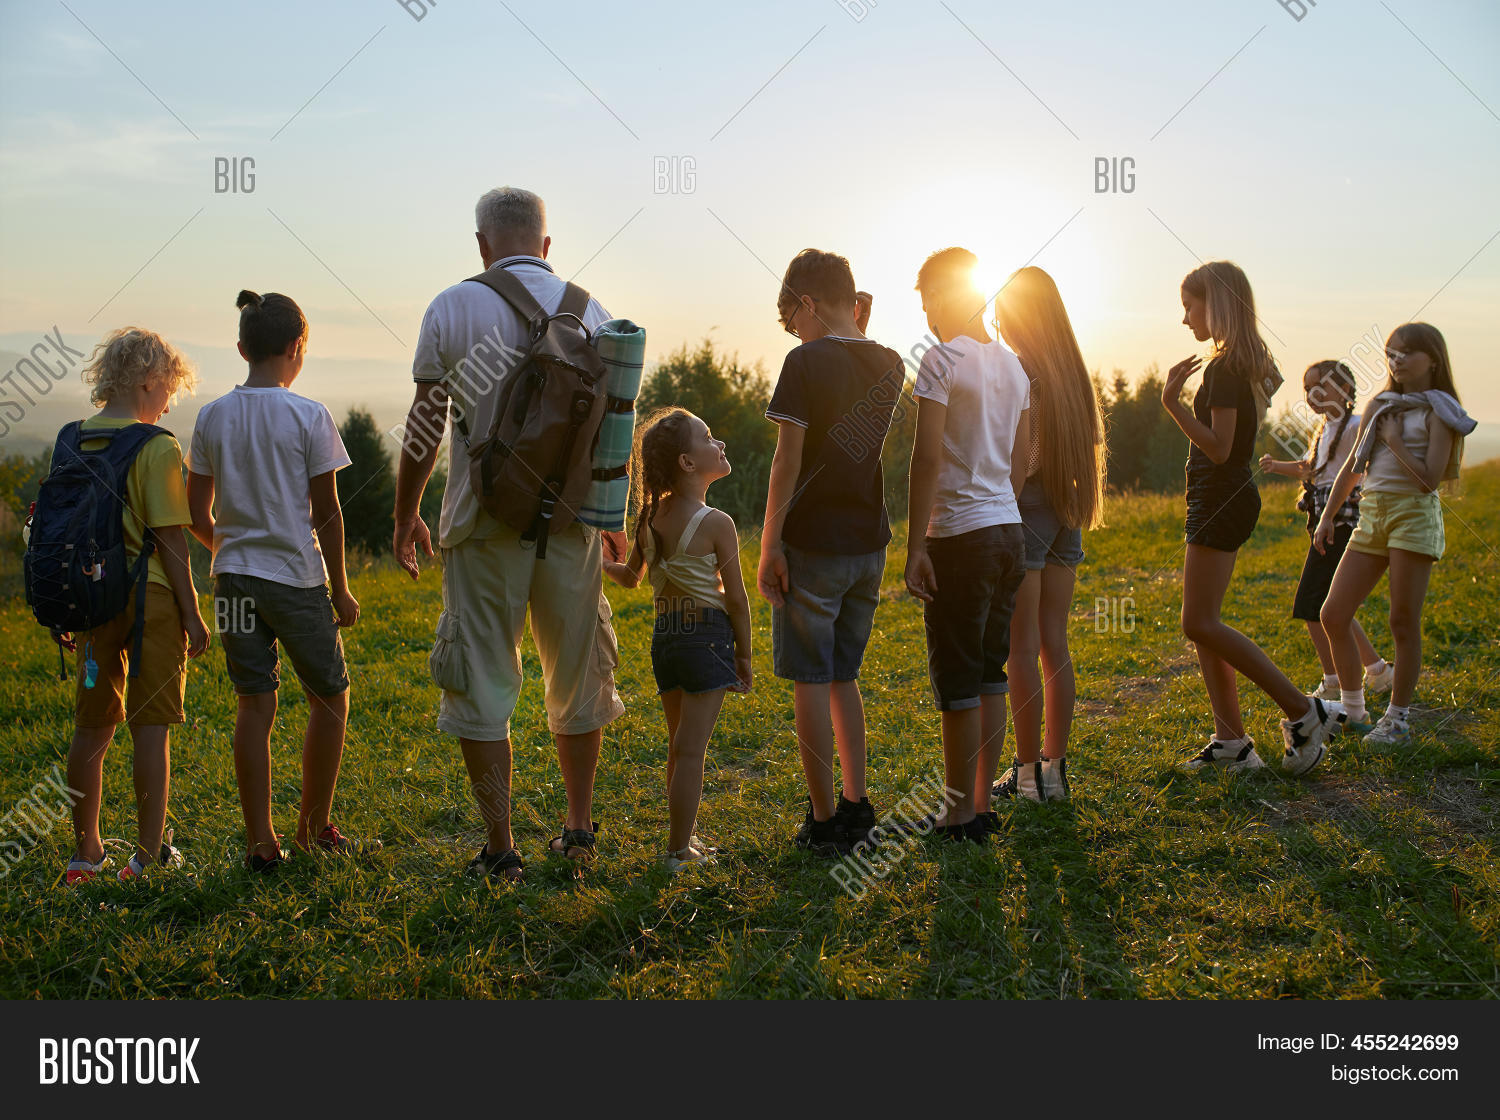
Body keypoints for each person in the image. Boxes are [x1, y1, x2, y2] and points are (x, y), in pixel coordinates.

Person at [393, 186, 625, 884]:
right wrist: (610, 518)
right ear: (547, 245)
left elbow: (425, 423)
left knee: (484, 682)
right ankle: (578, 830)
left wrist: (405, 514)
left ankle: (500, 848)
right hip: (571, 523)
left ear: (483, 245)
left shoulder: (452, 306)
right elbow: (612, 431)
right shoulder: (594, 312)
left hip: (481, 519)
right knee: (578, 675)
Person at [187, 290, 373, 872]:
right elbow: (329, 514)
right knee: (331, 697)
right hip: (295, 580)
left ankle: (260, 844)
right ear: (297, 348)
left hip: (231, 583)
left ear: (243, 349)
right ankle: (313, 828)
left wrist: (232, 551)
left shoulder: (211, 416)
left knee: (253, 704)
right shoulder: (309, 415)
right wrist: (340, 588)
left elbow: (196, 514)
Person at [1162, 261, 1342, 777]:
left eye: (1189, 306)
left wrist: (1172, 404)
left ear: (1215, 304)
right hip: (1224, 498)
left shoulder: (1223, 369)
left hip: (1219, 497)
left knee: (1198, 622)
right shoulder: (1245, 362)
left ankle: (1304, 712)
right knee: (1205, 624)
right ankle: (1231, 743)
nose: (1185, 318)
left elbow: (1220, 449)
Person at [757, 249, 904, 856]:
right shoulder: (890, 361)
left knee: (811, 682)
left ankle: (821, 823)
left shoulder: (804, 361)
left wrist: (770, 542)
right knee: (845, 676)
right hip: (868, 542)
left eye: (794, 319)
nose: (795, 332)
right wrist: (852, 319)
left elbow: (787, 460)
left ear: (808, 303)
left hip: (813, 542)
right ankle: (856, 806)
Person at [62, 328, 208, 883]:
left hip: (90, 600)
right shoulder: (157, 446)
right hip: (153, 600)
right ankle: (147, 858)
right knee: (151, 728)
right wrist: (193, 612)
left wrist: (64, 606)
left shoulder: (72, 439)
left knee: (91, 729)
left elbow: (58, 533)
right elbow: (170, 538)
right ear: (148, 380)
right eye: (168, 388)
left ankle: (85, 853)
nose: (168, 403)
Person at [901, 247, 1029, 839]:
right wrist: (1000, 504)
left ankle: (956, 815)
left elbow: (925, 457)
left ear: (943, 294)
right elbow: (1021, 460)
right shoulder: (1014, 366)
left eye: (928, 301)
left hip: (959, 536)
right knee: (989, 673)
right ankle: (979, 805)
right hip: (1008, 531)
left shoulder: (940, 360)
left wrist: (915, 547)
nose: (927, 315)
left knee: (957, 679)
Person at [603, 408, 753, 871]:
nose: (719, 443)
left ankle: (682, 837)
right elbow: (737, 600)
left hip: (666, 640)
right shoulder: (717, 522)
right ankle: (677, 852)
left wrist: (597, 562)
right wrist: (745, 656)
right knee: (691, 750)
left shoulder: (650, 518)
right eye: (708, 437)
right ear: (687, 462)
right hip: (706, 638)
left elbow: (630, 577)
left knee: (678, 746)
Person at [1317, 323, 1476, 745]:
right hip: (1372, 515)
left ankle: (1398, 720)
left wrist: (1394, 441)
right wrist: (1328, 515)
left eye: (1407, 353)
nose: (1396, 360)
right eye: (1391, 353)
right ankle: (1353, 710)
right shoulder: (1380, 405)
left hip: (1413, 516)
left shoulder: (1440, 411)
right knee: (1333, 613)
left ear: (1433, 359)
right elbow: (1353, 466)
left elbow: (1428, 481)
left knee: (1402, 621)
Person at [990, 266, 1105, 802]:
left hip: (1029, 507)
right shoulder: (1071, 371)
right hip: (1067, 506)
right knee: (1054, 642)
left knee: (1021, 648)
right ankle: (1053, 769)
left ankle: (1026, 772)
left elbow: (1025, 458)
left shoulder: (1022, 370)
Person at [1258, 360, 1392, 702]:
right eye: (1307, 388)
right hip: (1323, 519)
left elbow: (1367, 465)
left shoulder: (1356, 425)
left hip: (1341, 521)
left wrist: (1354, 500)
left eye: (1320, 386)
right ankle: (1377, 671)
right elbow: (1310, 468)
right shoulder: (1324, 429)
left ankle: (1334, 681)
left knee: (1311, 602)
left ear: (1345, 389)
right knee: (1334, 604)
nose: (1312, 394)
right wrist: (1276, 466)